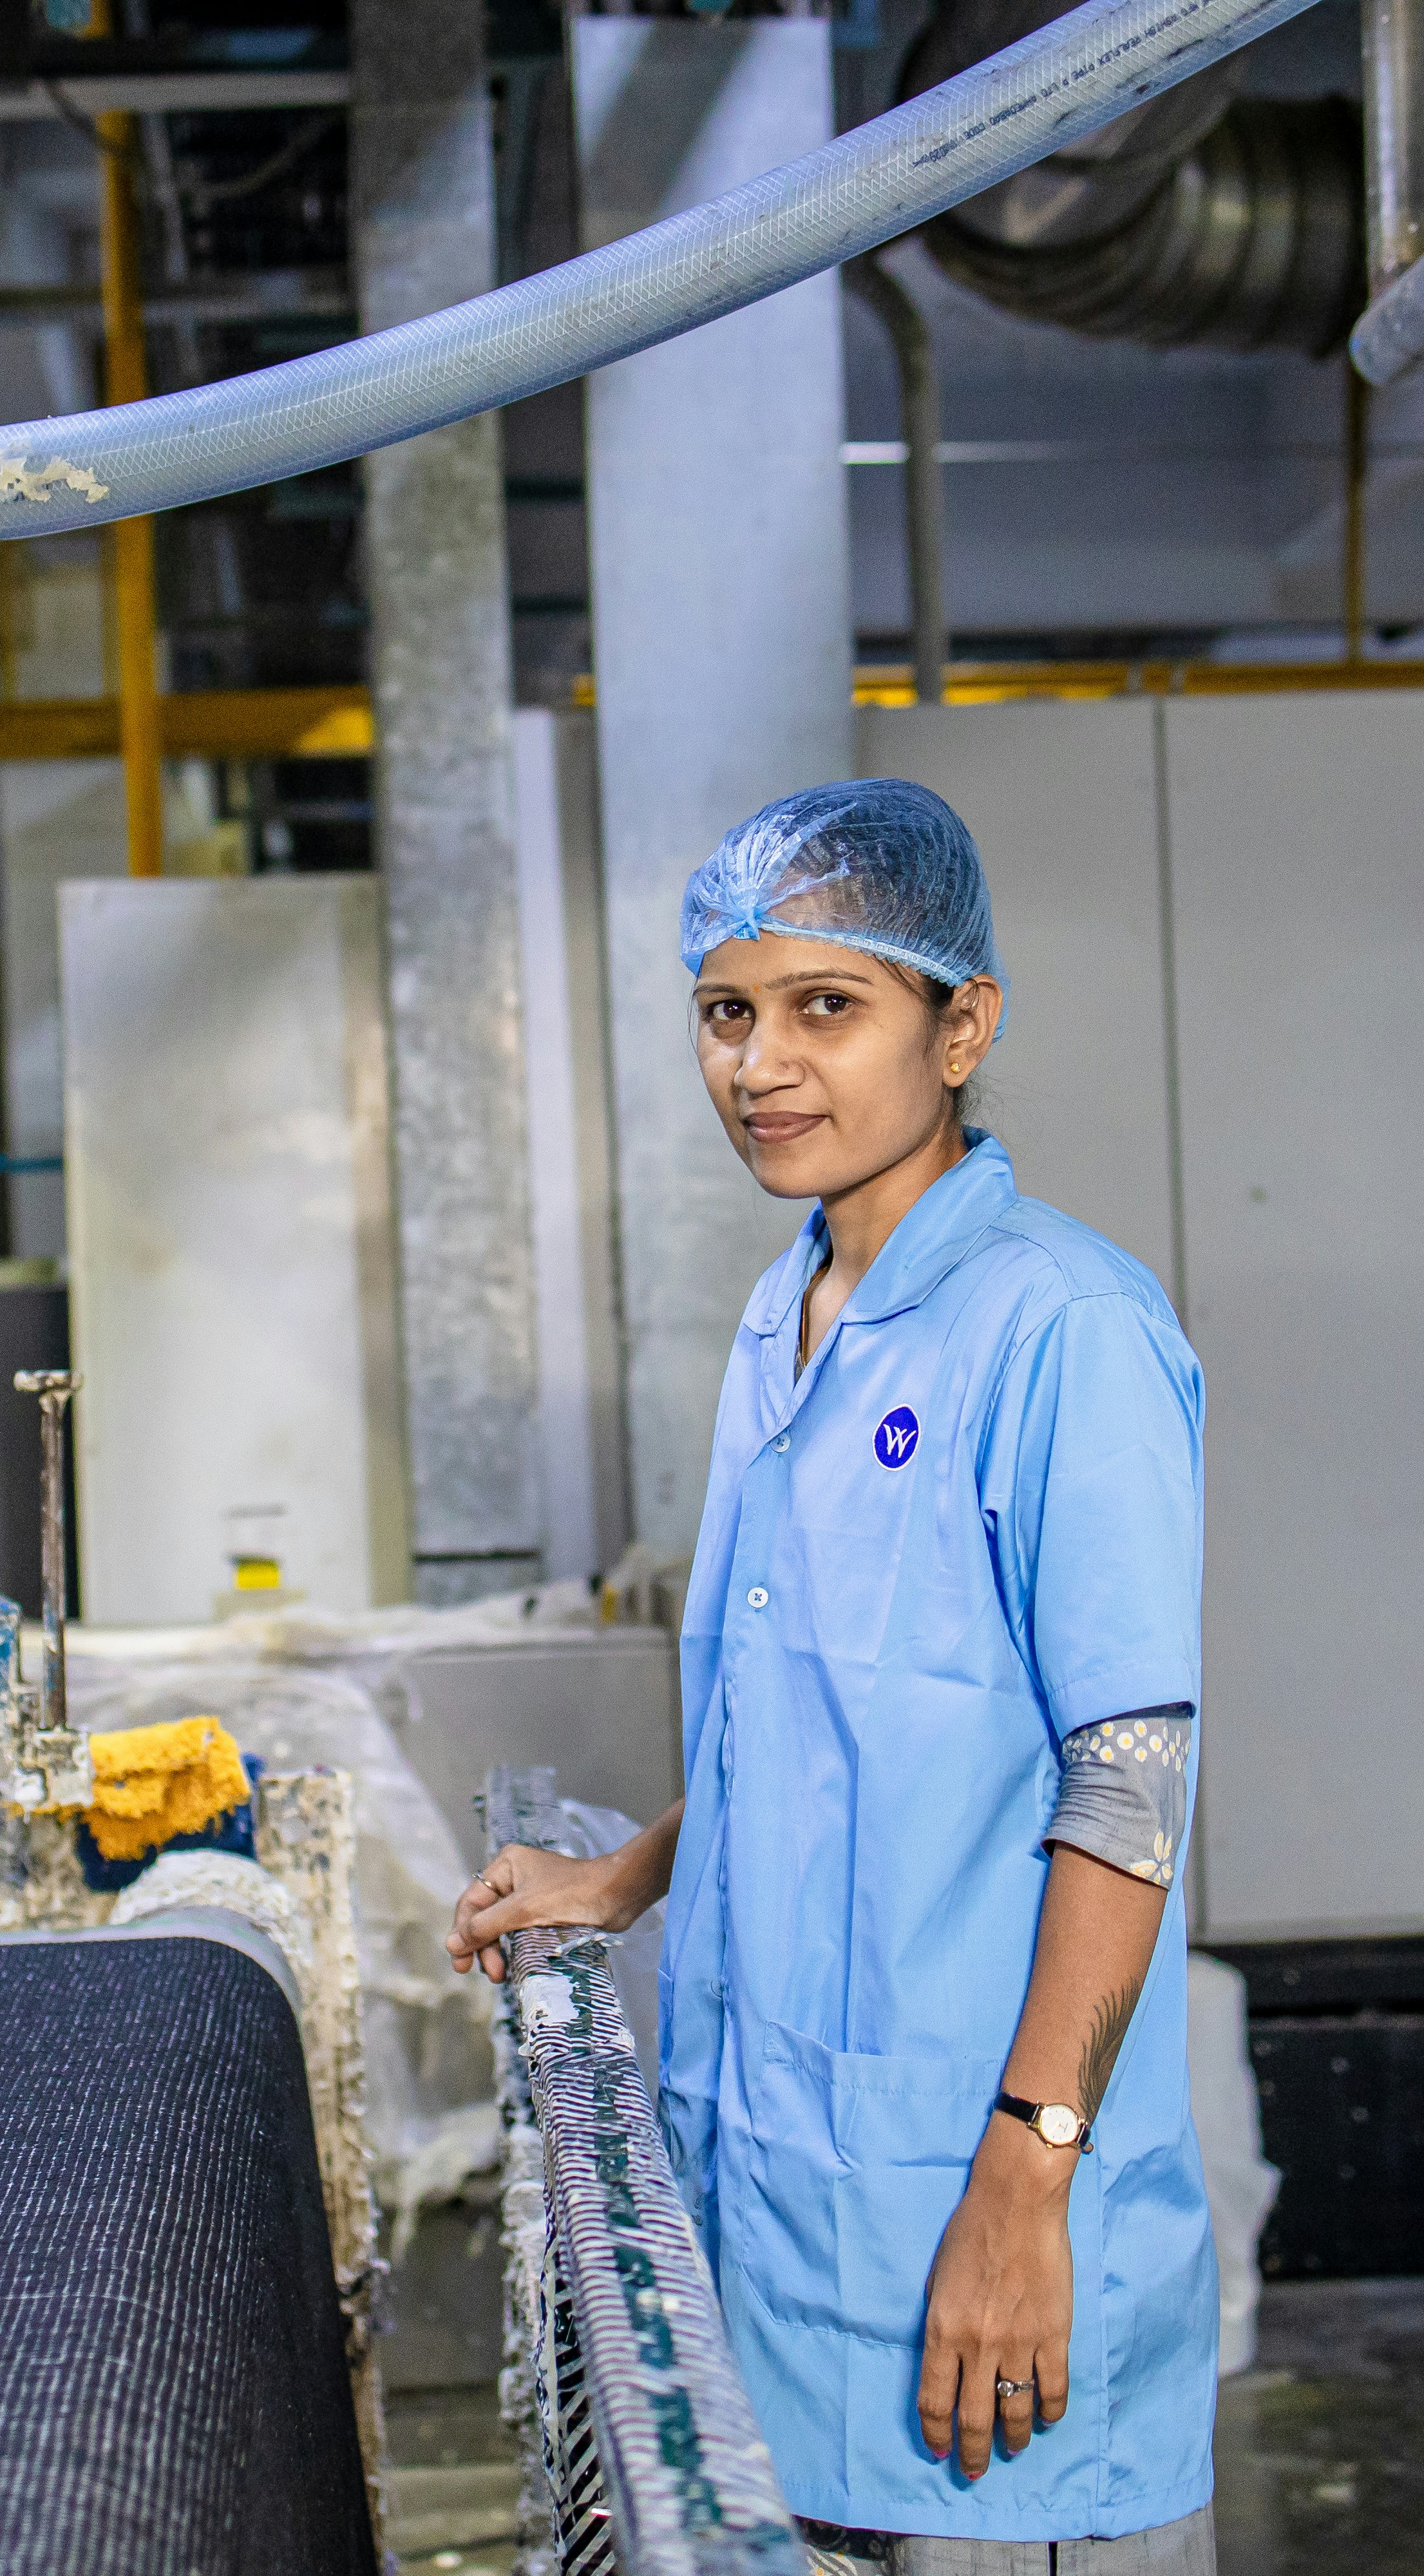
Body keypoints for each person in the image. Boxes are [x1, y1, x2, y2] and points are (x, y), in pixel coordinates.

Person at [448, 779, 1211, 2575]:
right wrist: (627, 1874)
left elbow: (1127, 1784)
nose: (764, 1066)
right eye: (730, 1011)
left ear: (964, 1026)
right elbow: (806, 1714)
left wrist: (1029, 2181)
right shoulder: (788, 1315)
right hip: (782, 2202)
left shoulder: (1065, 1332)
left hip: (977, 2214)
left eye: (828, 1008)